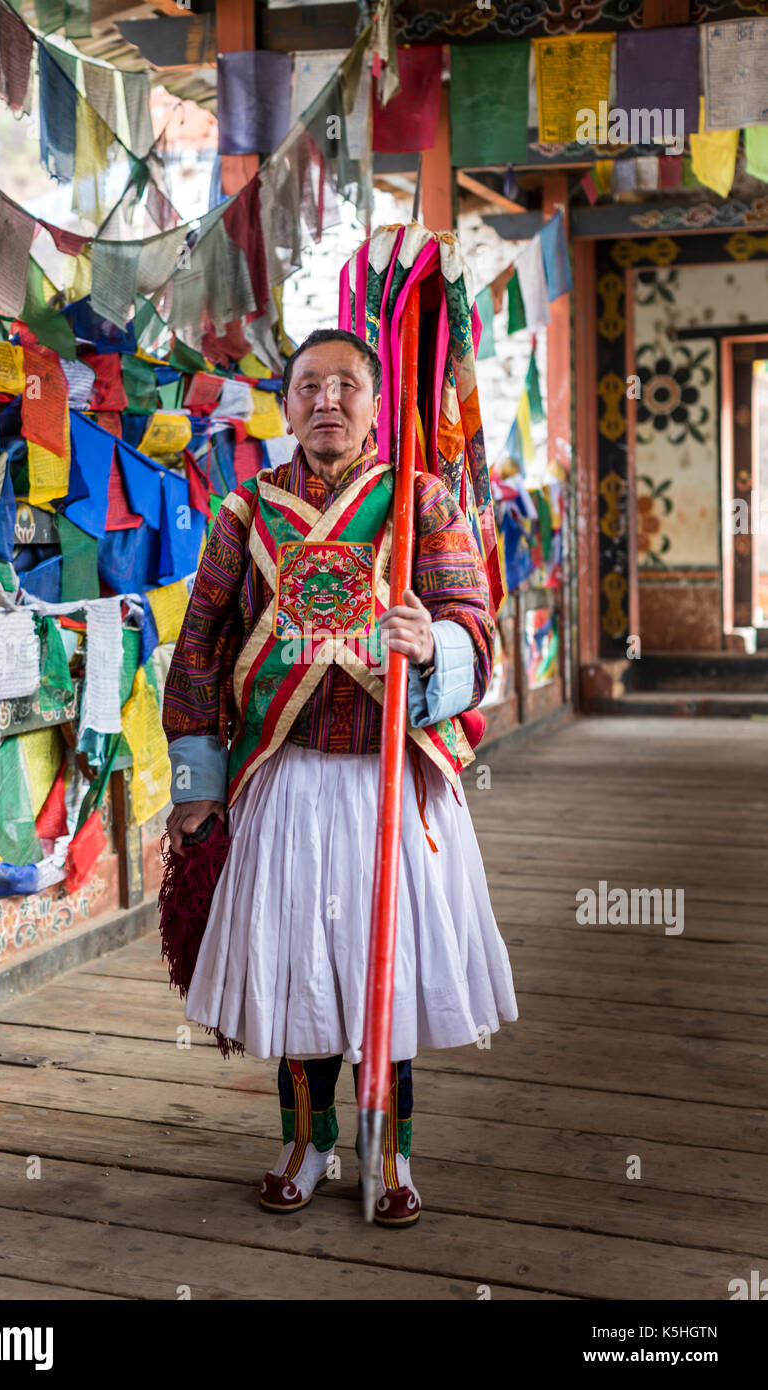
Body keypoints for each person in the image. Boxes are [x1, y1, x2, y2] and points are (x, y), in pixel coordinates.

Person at [161, 328, 517, 1227]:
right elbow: (199, 646)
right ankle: (307, 1142)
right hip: (286, 779)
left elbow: (475, 622)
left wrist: (433, 644)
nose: (328, 400)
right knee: (301, 975)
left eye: (348, 385)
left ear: (376, 401)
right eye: (309, 385)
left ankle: (388, 1154)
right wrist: (197, 786)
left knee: (381, 972)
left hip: (387, 779)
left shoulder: (418, 502)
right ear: (286, 405)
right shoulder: (244, 511)